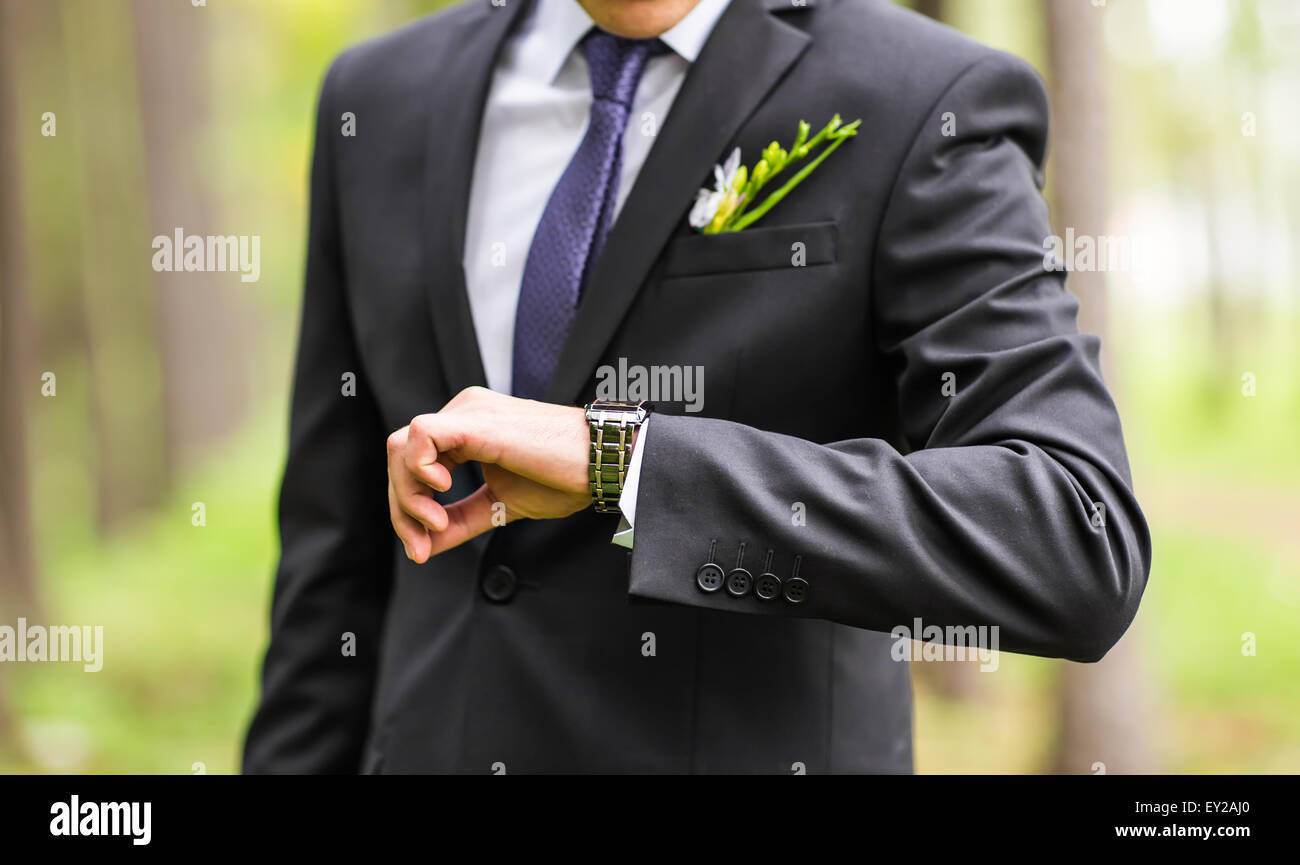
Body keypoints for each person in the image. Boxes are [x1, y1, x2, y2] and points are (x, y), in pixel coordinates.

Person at [244, 0, 1151, 774]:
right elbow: (333, 559)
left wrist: (626, 463)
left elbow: (1072, 533)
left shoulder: (924, 96)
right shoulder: (375, 97)